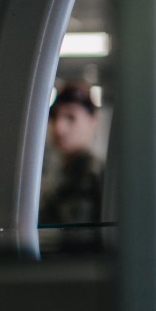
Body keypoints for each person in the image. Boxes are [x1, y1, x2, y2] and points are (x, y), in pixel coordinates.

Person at [39, 79, 104, 226]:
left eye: (70, 117)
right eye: (55, 117)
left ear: (93, 121)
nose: (58, 128)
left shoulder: (96, 174)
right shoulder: (56, 171)